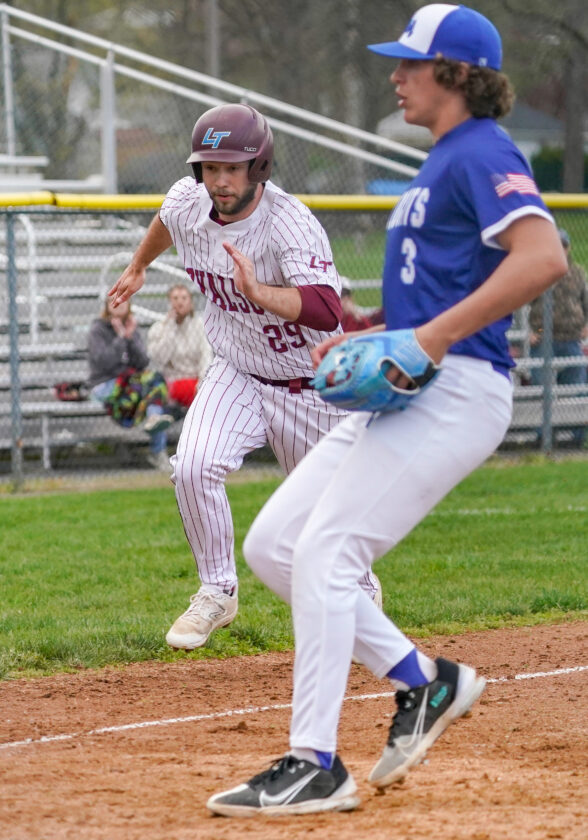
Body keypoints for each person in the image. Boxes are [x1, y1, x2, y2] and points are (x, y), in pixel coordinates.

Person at [206, 4, 567, 817]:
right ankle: (424, 680)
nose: (396, 75)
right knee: (277, 548)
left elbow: (544, 256)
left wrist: (430, 339)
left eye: (411, 63)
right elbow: (439, 287)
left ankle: (314, 763)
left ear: (457, 74)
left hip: (460, 388)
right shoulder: (441, 160)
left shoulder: (481, 150)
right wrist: (375, 329)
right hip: (415, 390)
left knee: (329, 553)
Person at [108, 102, 381, 650]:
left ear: (259, 167)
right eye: (211, 168)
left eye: (233, 167)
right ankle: (217, 590)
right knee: (192, 467)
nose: (220, 179)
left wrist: (258, 292)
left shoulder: (289, 223)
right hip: (236, 371)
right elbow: (167, 218)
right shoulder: (190, 200)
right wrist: (139, 266)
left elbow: (328, 309)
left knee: (322, 527)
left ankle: (362, 601)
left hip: (307, 388)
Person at [87, 296, 174, 472]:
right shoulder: (97, 330)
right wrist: (120, 338)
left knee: (155, 383)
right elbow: (103, 363)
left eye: (123, 301)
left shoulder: (131, 328)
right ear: (107, 306)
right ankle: (157, 448)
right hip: (104, 385)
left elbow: (142, 362)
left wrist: (131, 337)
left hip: (131, 383)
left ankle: (153, 420)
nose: (119, 305)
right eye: (114, 302)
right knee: (152, 385)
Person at [529, 228, 588, 446]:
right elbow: (519, 302)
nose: (560, 249)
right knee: (542, 388)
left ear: (568, 247)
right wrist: (529, 333)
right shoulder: (539, 271)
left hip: (572, 336)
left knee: (575, 387)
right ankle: (543, 436)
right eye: (556, 244)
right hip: (544, 335)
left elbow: (584, 301)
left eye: (563, 245)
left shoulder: (577, 272)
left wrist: (586, 324)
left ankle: (575, 436)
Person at [147, 283, 213, 416]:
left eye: (184, 298)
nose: (179, 302)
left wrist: (202, 382)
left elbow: (206, 356)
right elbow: (161, 358)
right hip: (171, 382)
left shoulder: (199, 326)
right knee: (154, 394)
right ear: (169, 303)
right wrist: (171, 327)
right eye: (175, 298)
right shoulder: (159, 328)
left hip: (195, 382)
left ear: (191, 303)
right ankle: (157, 420)